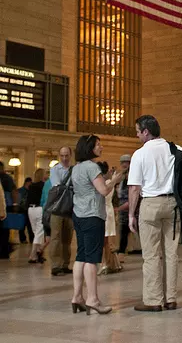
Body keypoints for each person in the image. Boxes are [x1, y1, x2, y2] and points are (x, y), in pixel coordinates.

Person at [127, 115, 181, 312]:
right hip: (173, 203)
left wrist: (131, 214)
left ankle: (153, 300)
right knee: (171, 253)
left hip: (150, 203)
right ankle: (171, 298)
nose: (137, 135)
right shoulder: (176, 149)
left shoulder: (139, 154)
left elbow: (134, 188)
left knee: (151, 255)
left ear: (146, 132)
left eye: (137, 131)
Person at [70, 135, 122, 315]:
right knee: (92, 258)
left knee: (81, 256)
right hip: (92, 216)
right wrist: (114, 180)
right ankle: (93, 299)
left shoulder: (76, 168)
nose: (101, 147)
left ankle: (77, 297)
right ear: (89, 148)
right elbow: (103, 190)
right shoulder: (92, 167)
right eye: (98, 145)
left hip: (79, 215)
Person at [49, 147, 74, 276]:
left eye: (67, 155)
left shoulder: (74, 170)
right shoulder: (54, 169)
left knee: (67, 239)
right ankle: (55, 265)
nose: (64, 158)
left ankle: (65, 264)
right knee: (55, 238)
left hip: (69, 209)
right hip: (57, 209)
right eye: (62, 155)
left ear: (71, 155)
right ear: (59, 155)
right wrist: (70, 187)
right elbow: (57, 186)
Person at [97, 161, 122, 275]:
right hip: (108, 211)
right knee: (106, 240)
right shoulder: (108, 182)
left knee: (105, 240)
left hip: (105, 212)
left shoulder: (105, 183)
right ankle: (112, 263)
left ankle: (106, 263)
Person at [26, 169, 48, 263]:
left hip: (30, 209)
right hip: (39, 209)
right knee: (39, 233)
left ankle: (39, 253)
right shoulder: (44, 185)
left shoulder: (31, 186)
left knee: (36, 232)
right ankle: (32, 255)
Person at [115, 154, 131, 263]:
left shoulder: (132, 175)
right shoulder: (120, 176)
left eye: (127, 162)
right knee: (124, 231)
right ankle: (121, 253)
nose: (124, 164)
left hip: (131, 206)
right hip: (122, 206)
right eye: (123, 162)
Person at [0, 161, 18, 258]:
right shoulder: (8, 178)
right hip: (7, 206)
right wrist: (15, 204)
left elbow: (13, 191)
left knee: (4, 230)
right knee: (5, 230)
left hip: (6, 205)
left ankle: (4, 250)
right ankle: (4, 251)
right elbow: (14, 192)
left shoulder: (7, 178)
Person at [18, 177, 34, 244]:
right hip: (22, 209)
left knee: (30, 225)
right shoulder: (20, 190)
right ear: (27, 182)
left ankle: (31, 239)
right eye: (30, 182)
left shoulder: (31, 190)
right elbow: (20, 200)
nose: (31, 184)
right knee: (22, 225)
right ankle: (23, 239)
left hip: (29, 209)